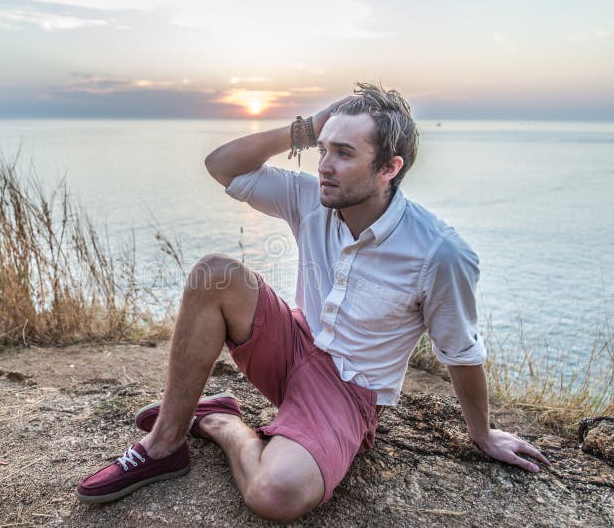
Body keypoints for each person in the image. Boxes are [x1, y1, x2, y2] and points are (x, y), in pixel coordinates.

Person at [76, 82, 550, 522]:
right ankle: (164, 444)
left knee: (274, 496)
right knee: (214, 273)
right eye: (324, 149)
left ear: (389, 168)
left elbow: (460, 352)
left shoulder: (439, 253)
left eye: (343, 153)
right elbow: (220, 165)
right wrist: (305, 128)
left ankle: (218, 420)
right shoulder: (312, 196)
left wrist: (482, 434)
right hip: (296, 344)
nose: (324, 164)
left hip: (348, 391)